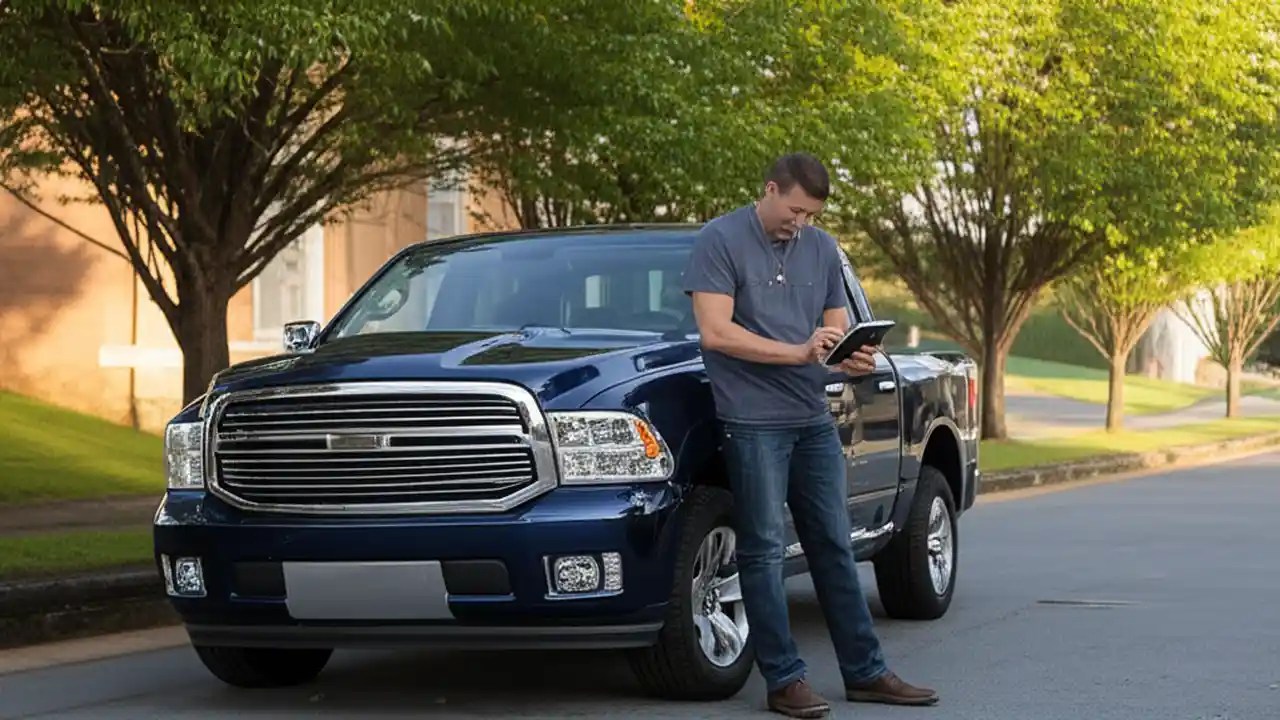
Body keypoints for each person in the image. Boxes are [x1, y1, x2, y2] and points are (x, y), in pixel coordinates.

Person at [682, 153, 939, 717]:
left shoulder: (821, 248)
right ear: (770, 189)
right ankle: (784, 680)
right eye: (795, 210)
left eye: (811, 214)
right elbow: (716, 333)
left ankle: (866, 672)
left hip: (810, 416)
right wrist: (798, 352)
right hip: (752, 420)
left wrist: (846, 354)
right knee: (765, 549)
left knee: (833, 543)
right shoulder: (719, 239)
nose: (800, 222)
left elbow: (833, 323)